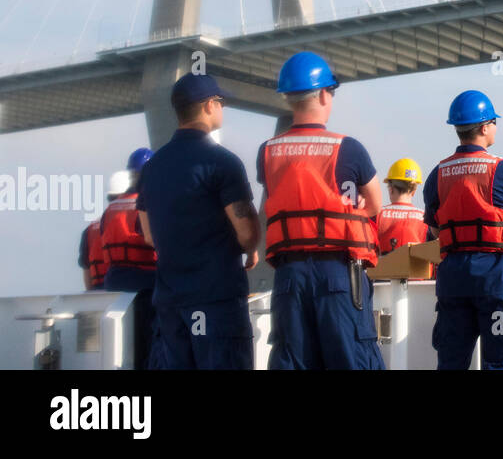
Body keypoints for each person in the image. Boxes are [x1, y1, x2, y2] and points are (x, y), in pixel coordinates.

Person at [257, 51, 385, 370]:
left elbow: (270, 205)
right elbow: (374, 204)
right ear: (325, 94)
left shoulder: (268, 152)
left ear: (288, 98)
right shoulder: (349, 148)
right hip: (338, 274)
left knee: (294, 359)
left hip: (289, 276)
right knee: (350, 356)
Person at [135, 73, 260, 369]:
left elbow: (149, 235)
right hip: (216, 301)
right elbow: (246, 233)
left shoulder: (152, 168)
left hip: (170, 304)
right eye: (220, 101)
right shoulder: (222, 162)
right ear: (208, 105)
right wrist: (251, 247)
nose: (222, 107)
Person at [425, 89, 503, 370]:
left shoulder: (438, 174)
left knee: (452, 362)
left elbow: (435, 231)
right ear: (485, 127)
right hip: (499, 280)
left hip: (454, 281)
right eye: (494, 122)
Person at [101, 147, 159, 368]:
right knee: (150, 342)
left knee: (120, 342)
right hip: (147, 283)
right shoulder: (150, 205)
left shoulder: (110, 210)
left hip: (114, 284)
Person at [79, 171, 129, 290]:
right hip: (137, 288)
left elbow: (87, 273)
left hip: (100, 294)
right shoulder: (142, 218)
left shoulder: (90, 230)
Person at [376, 158, 430, 256]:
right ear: (414, 191)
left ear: (391, 189)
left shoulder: (378, 214)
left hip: (384, 269)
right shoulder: (425, 217)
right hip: (417, 270)